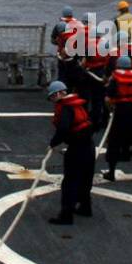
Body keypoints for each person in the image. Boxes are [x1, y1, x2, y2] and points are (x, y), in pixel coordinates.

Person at [46, 80, 95, 225]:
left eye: (53, 97)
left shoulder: (66, 108)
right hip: (89, 146)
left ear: (59, 93)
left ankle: (66, 215)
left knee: (70, 182)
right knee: (86, 179)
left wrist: (53, 144)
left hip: (77, 148)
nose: (53, 100)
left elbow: (63, 129)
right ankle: (86, 207)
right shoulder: (78, 104)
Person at [103, 55, 132, 181]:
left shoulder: (115, 78)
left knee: (114, 141)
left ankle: (111, 172)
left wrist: (110, 108)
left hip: (119, 112)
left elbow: (108, 98)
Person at [50, 7, 84, 91]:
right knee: (75, 74)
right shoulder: (79, 24)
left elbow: (52, 40)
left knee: (62, 76)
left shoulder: (59, 25)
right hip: (77, 55)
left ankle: (62, 91)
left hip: (63, 56)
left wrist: (60, 43)